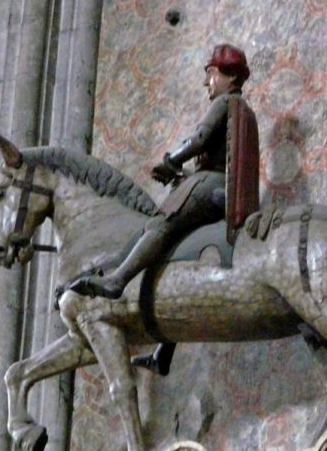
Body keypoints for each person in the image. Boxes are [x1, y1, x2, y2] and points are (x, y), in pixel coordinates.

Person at [68, 44, 253, 375]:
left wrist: (170, 159)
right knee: (174, 255)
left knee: (159, 226)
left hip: (211, 186)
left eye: (211, 74)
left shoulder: (226, 103)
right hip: (216, 186)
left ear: (230, 76)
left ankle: (116, 280)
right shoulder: (241, 108)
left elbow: (198, 138)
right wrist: (181, 174)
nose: (207, 83)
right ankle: (163, 353)